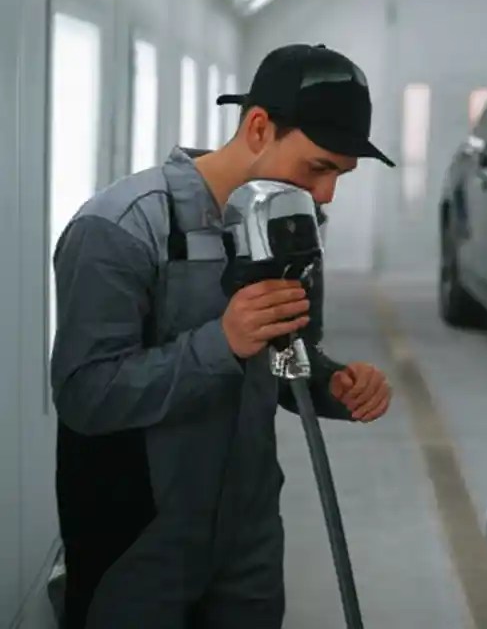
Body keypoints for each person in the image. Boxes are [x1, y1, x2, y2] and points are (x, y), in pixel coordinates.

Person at [49, 43, 395, 629]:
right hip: (139, 534)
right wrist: (223, 343)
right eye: (318, 167)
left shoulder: (295, 224)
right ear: (259, 127)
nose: (327, 194)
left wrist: (336, 383)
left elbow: (291, 354)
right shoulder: (121, 227)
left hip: (248, 528)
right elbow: (85, 394)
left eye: (340, 174)